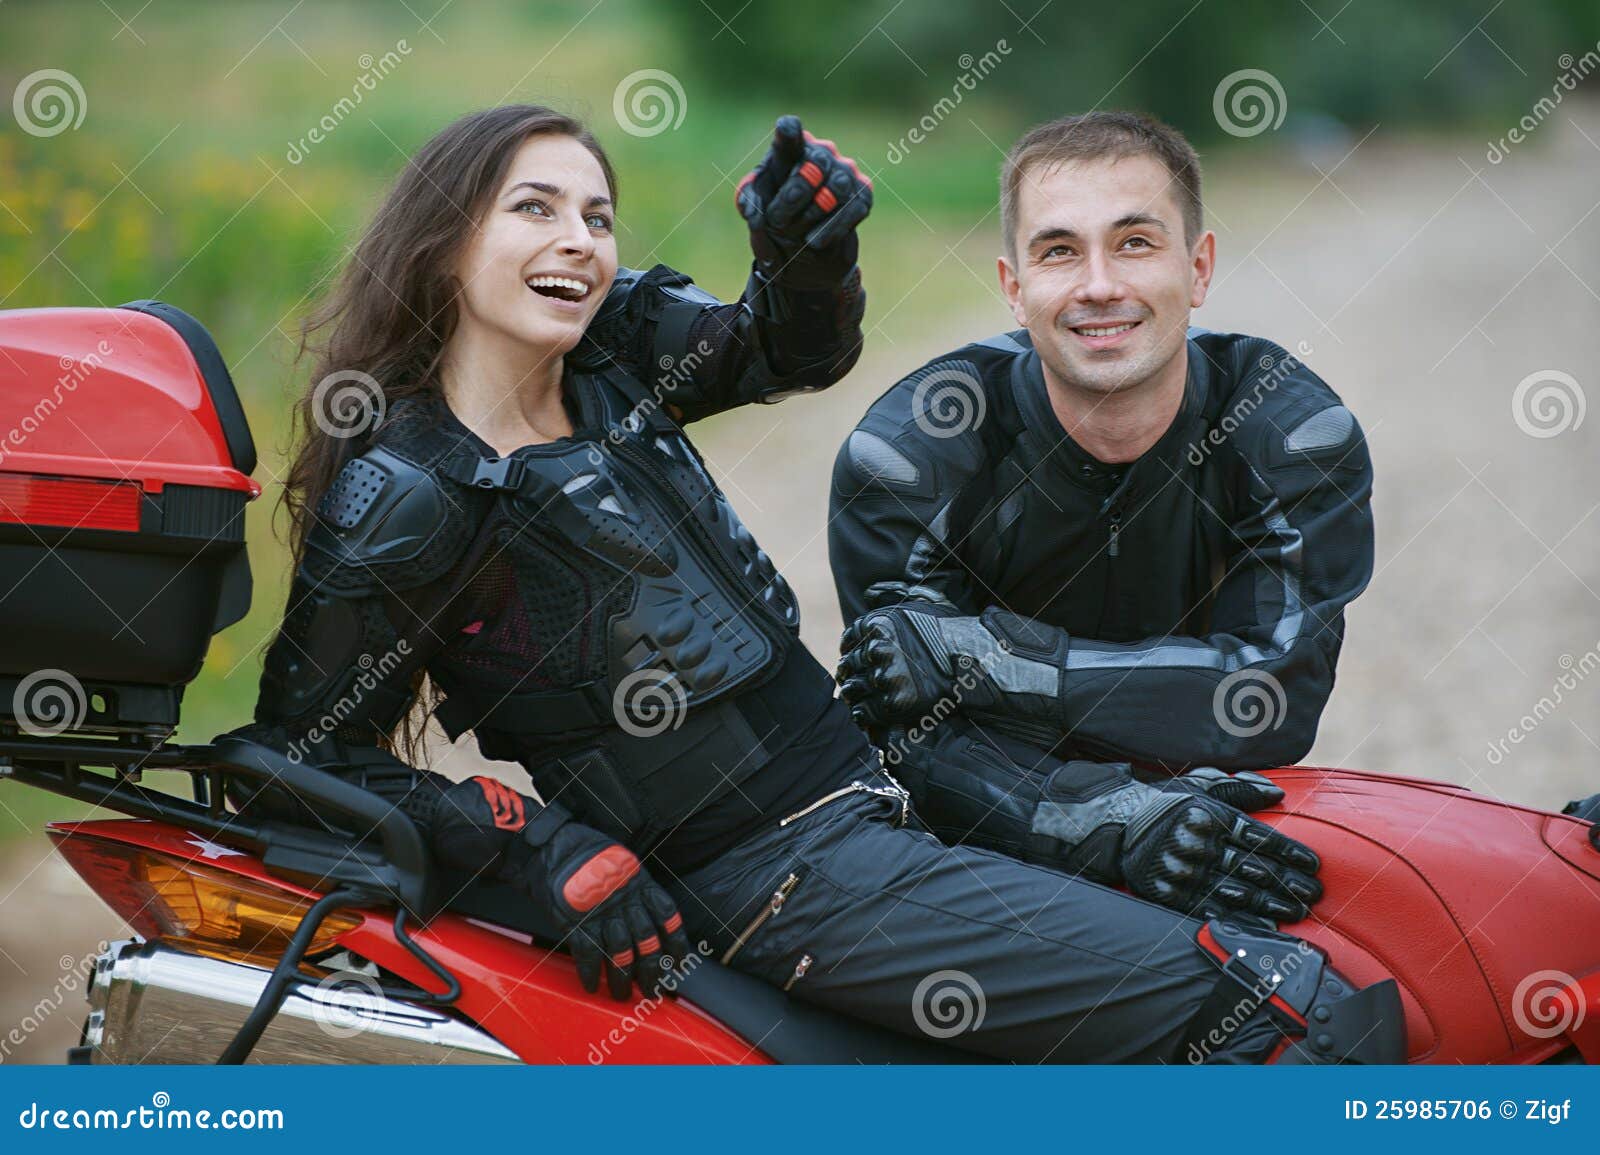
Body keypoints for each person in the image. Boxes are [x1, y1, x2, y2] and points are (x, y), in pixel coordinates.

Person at [226, 104, 1400, 1064]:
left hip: (871, 798)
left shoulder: (612, 352)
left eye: (596, 214)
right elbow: (297, 757)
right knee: (1280, 1002)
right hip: (780, 879)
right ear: (442, 241)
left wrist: (805, 245)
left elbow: (785, 348)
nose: (580, 241)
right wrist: (542, 851)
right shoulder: (415, 491)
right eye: (534, 210)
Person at [830, 111, 1375, 883]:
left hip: (1218, 805)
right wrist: (1100, 822)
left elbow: (1272, 696)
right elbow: (906, 734)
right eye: (1059, 251)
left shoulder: (1291, 432)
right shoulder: (910, 455)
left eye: (1136, 242)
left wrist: (996, 663)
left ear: (1199, 269)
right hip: (995, 842)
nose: (1098, 286)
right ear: (1015, 289)